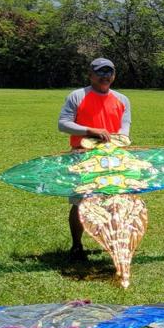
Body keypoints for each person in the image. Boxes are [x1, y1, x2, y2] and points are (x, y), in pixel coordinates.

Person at [55, 57, 130, 254]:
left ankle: (113, 244)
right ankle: (77, 246)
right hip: (83, 157)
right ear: (90, 75)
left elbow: (125, 128)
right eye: (100, 72)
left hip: (113, 158)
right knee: (80, 202)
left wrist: (120, 141)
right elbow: (63, 124)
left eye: (109, 72)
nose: (105, 76)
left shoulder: (122, 99)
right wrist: (90, 131)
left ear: (114, 75)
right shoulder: (77, 96)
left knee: (115, 201)